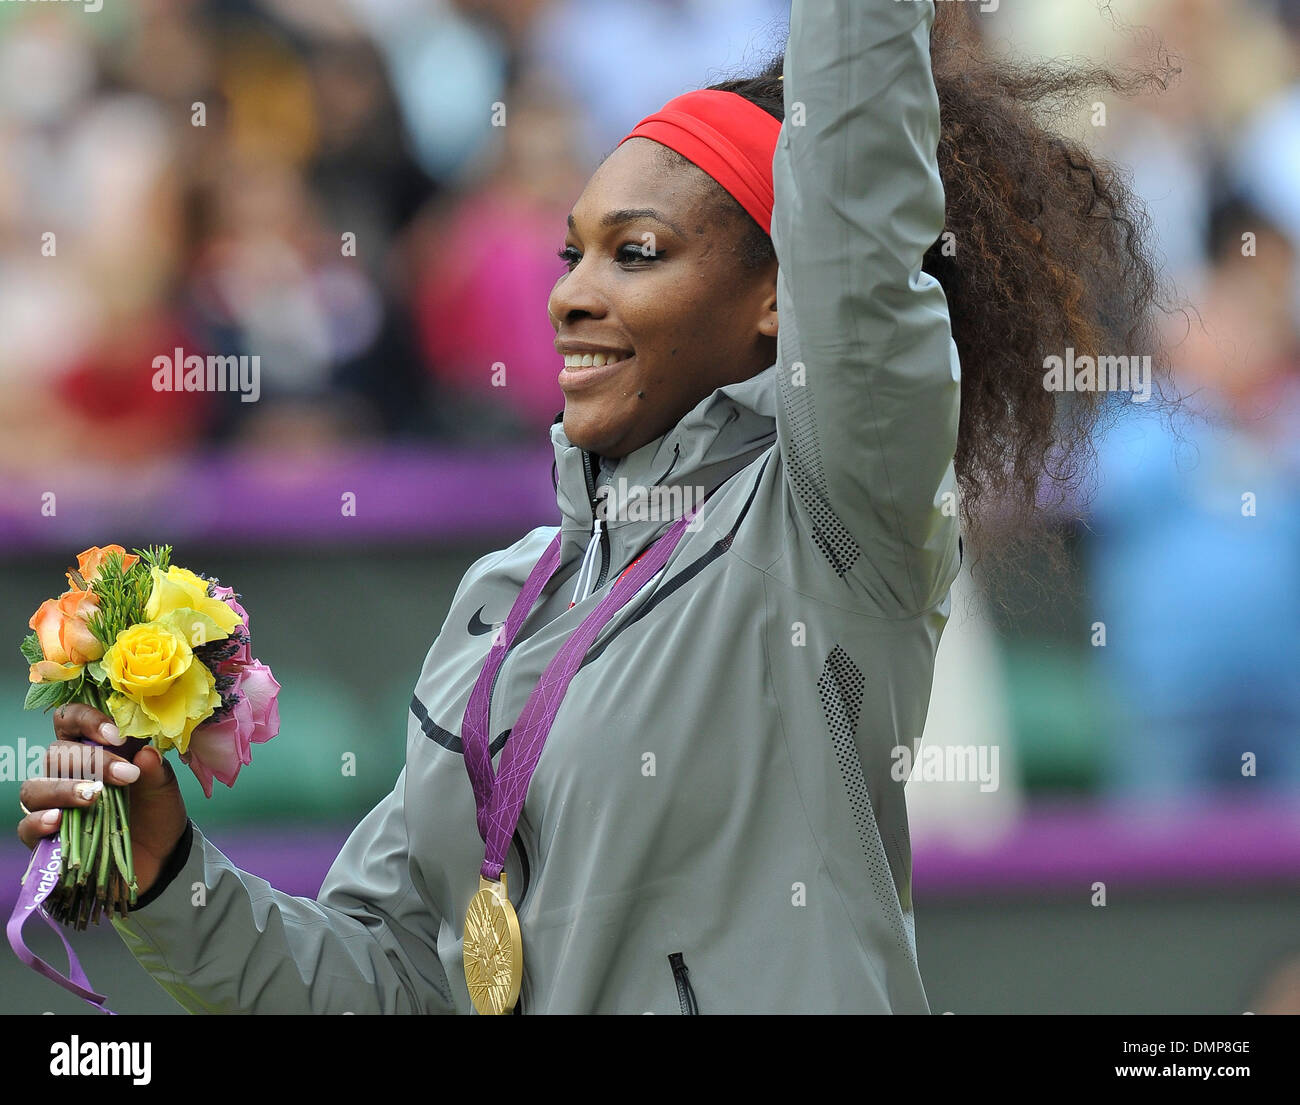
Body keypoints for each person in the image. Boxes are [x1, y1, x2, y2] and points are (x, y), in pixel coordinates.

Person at [17, 1, 1168, 1014]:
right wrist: (172, 877)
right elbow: (384, 987)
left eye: (638, 253)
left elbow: (862, 216)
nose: (573, 294)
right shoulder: (498, 599)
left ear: (782, 297)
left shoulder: (824, 522)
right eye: (573, 253)